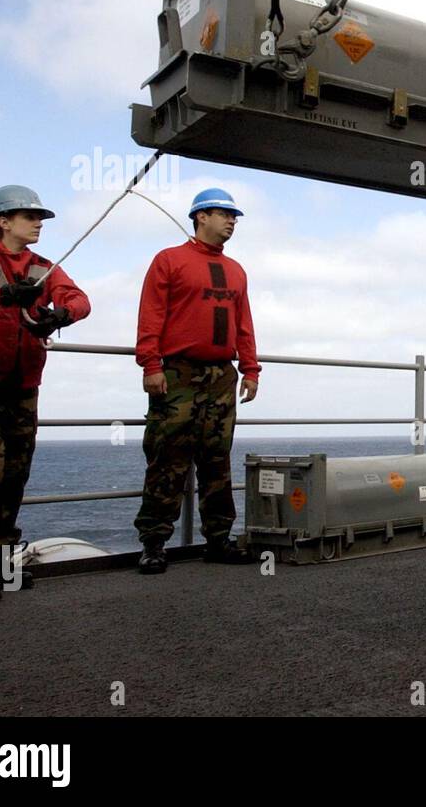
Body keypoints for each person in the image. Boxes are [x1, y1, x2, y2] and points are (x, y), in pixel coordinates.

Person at [0, 185, 91, 602]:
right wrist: (4, 295)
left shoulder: (43, 267)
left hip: (21, 386)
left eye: (39, 216)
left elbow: (80, 299)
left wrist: (60, 314)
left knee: (13, 474)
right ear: (3, 222)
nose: (39, 222)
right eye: (29, 215)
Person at [133, 188, 260, 573]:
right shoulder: (169, 260)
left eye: (235, 216)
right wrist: (150, 364)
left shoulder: (237, 270)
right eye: (224, 214)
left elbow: (244, 323)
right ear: (200, 216)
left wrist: (251, 369)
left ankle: (218, 540)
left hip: (222, 374)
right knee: (167, 458)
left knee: (216, 460)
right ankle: (154, 543)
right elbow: (151, 315)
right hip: (177, 373)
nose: (232, 221)